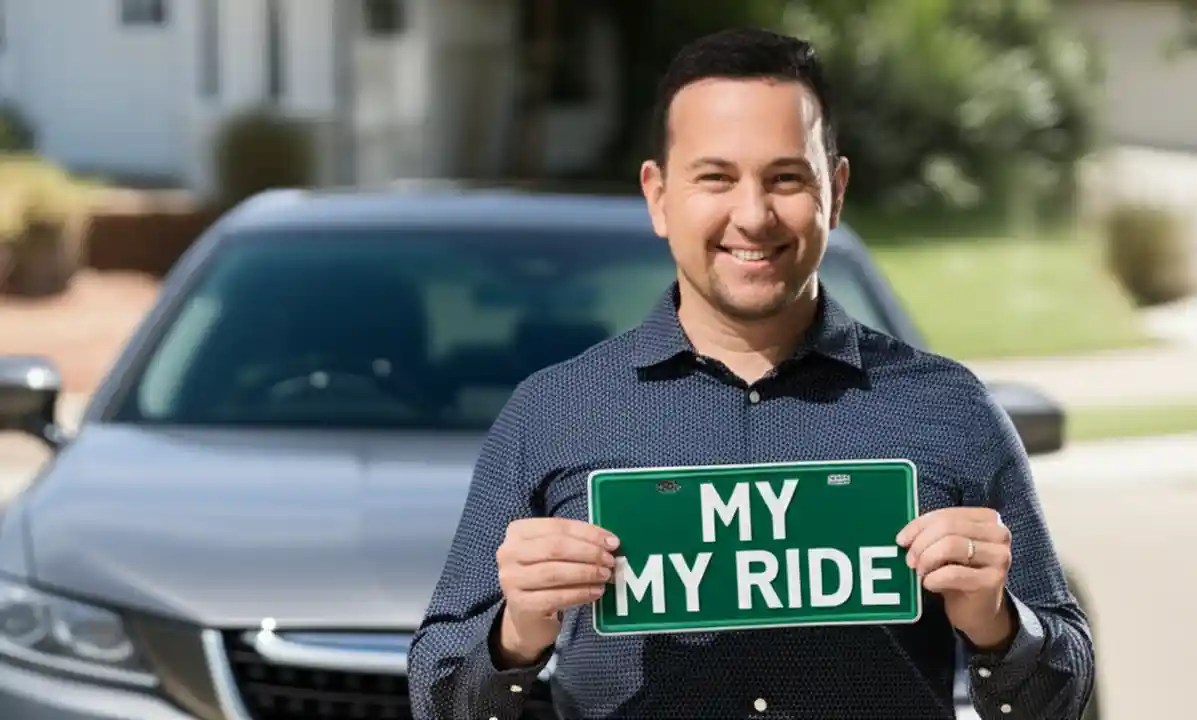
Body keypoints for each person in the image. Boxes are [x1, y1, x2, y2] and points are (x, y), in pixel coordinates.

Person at [408, 27, 1094, 720]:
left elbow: (1064, 696)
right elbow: (439, 696)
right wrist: (518, 637)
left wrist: (998, 623)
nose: (753, 215)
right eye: (716, 177)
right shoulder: (551, 415)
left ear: (838, 191)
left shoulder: (949, 410)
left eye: (786, 178)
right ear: (658, 195)